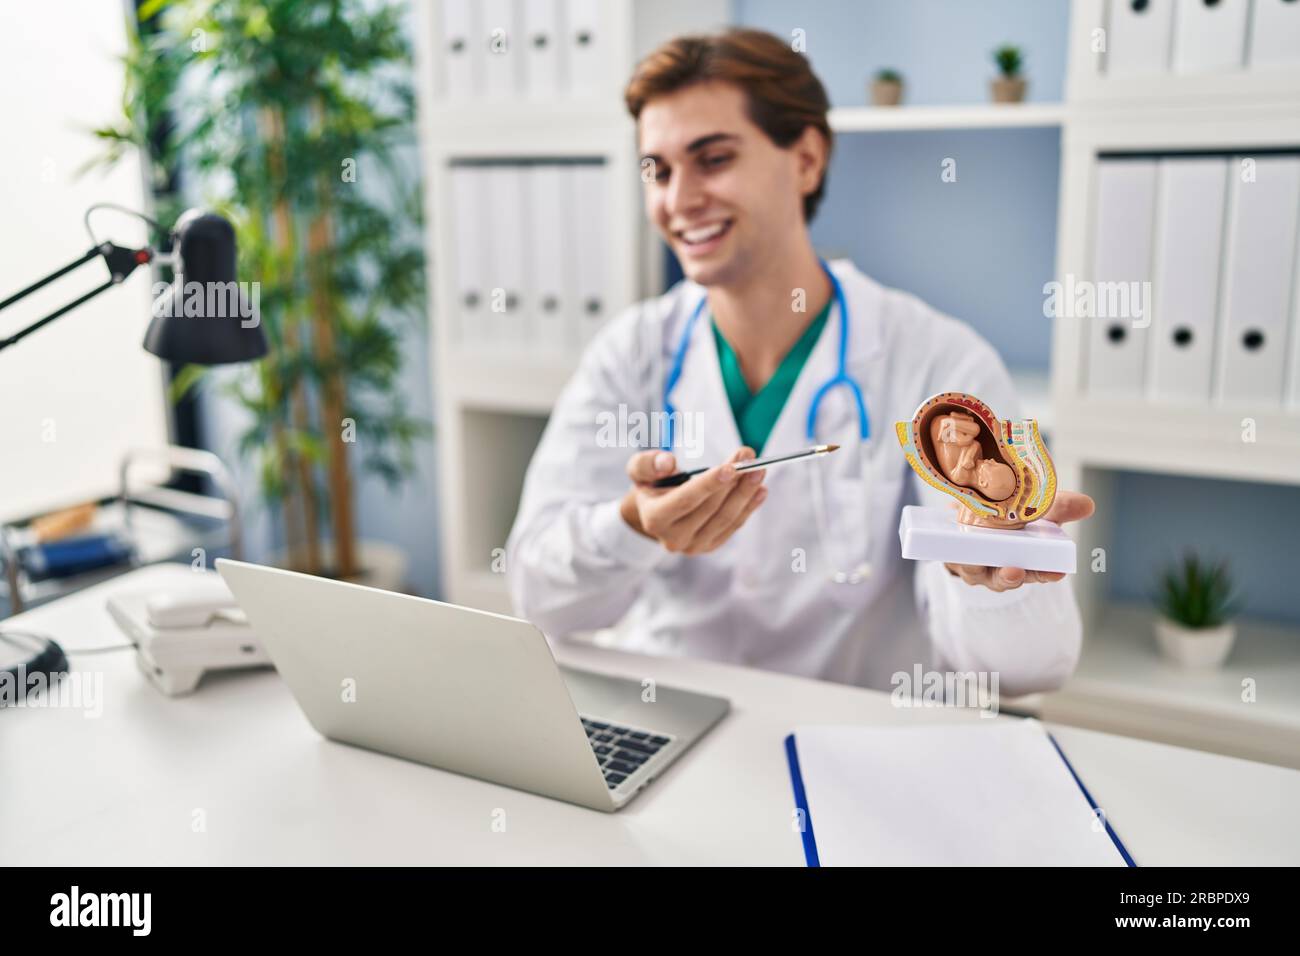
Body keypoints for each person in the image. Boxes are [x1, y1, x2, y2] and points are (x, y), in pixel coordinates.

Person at [505, 29, 1093, 696]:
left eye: (714, 159)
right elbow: (538, 600)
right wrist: (633, 525)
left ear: (806, 159)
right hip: (669, 727)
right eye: (658, 171)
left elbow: (1029, 672)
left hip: (853, 748)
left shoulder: (935, 360)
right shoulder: (631, 353)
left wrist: (992, 575)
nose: (679, 200)